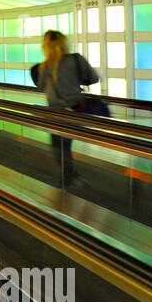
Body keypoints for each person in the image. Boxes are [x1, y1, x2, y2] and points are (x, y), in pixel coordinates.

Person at [30, 29, 106, 189]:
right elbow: (93, 79)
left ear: (46, 46)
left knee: (59, 147)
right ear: (64, 43)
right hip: (75, 112)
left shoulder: (44, 67)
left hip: (55, 114)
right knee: (65, 145)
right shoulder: (76, 60)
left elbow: (41, 87)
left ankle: (67, 179)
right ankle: (70, 177)